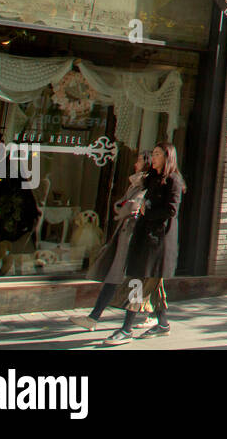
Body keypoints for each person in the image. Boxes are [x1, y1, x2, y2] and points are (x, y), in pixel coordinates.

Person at [104, 142, 184, 345]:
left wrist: (146, 212)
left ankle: (126, 329)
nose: (153, 157)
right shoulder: (153, 178)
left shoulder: (173, 180)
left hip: (158, 241)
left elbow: (171, 210)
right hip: (145, 237)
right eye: (154, 154)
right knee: (153, 284)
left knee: (138, 281)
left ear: (168, 157)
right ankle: (163, 324)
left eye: (158, 154)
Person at [70, 150, 150, 331]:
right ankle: (150, 318)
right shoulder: (135, 183)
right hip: (126, 235)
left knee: (137, 281)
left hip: (135, 238)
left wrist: (125, 209)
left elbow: (134, 207)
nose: (135, 164)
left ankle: (142, 321)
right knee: (124, 278)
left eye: (138, 160)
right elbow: (124, 204)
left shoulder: (145, 184)